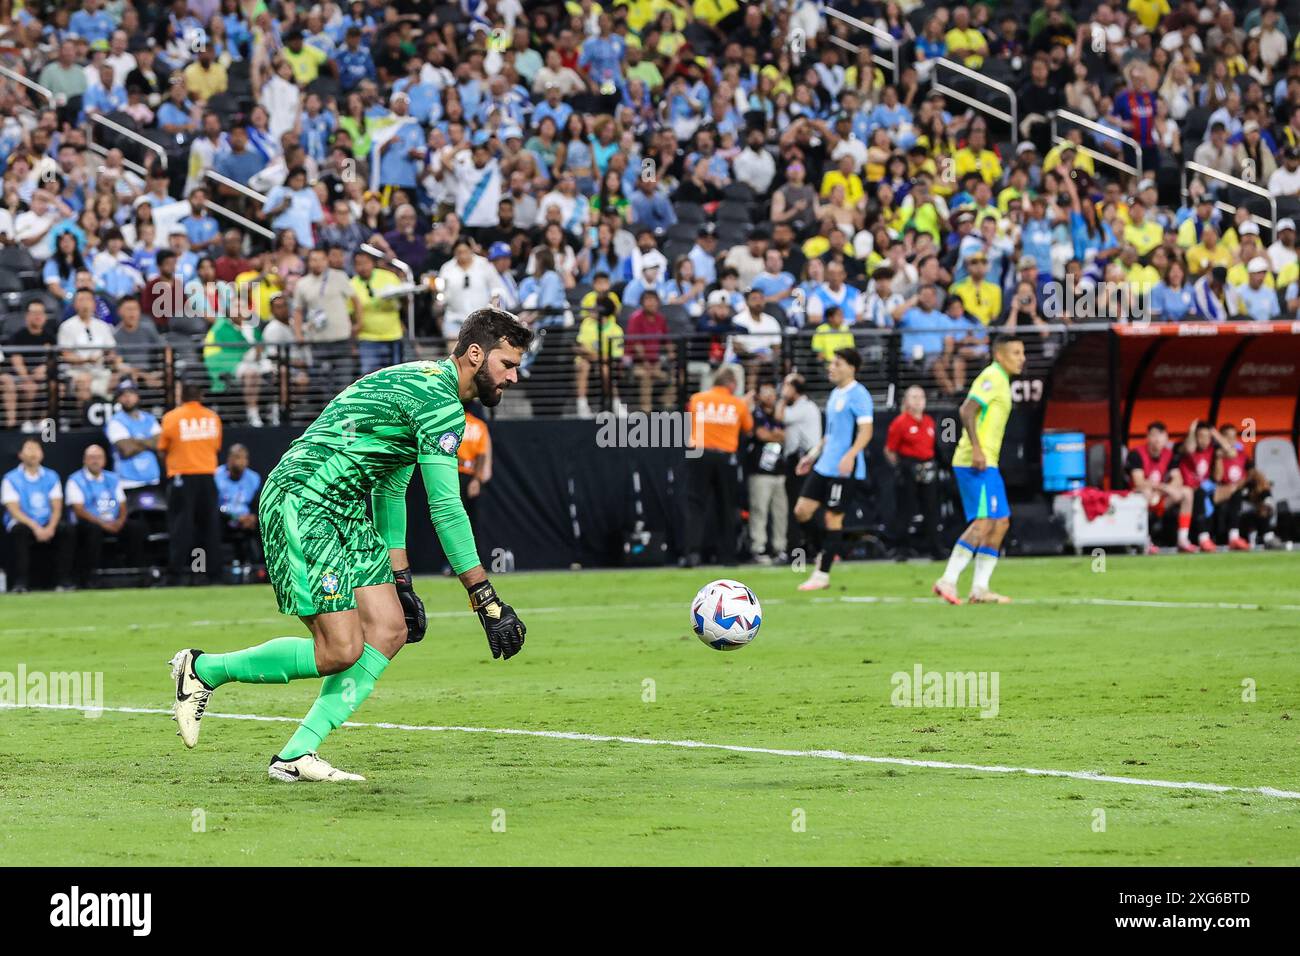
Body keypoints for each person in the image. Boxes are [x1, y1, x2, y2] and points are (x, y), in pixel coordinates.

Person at [168, 308, 532, 783]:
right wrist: (485, 599)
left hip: (344, 509)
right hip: (304, 500)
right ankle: (203, 668)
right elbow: (445, 508)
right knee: (339, 649)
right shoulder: (440, 401)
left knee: (389, 628)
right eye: (508, 364)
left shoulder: (420, 384)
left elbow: (390, 488)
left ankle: (297, 754)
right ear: (476, 355)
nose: (514, 377)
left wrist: (400, 579)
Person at [933, 334, 1027, 605]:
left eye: (1022, 352)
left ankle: (980, 588)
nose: (1022, 358)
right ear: (1000, 355)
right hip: (975, 460)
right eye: (1016, 352)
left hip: (989, 462)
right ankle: (948, 580)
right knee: (984, 521)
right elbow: (967, 409)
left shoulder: (1002, 380)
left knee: (1000, 523)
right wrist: (975, 448)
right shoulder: (992, 376)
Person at [792, 348, 874, 591]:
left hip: (844, 468)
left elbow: (866, 432)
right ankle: (825, 552)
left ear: (851, 367)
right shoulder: (835, 394)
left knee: (832, 517)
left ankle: (822, 575)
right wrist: (811, 455)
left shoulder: (859, 395)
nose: (831, 368)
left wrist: (850, 455)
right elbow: (830, 434)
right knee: (802, 511)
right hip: (825, 464)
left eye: (837, 363)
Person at [684, 367, 754, 567]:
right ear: (731, 384)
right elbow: (749, 428)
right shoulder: (737, 404)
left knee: (695, 505)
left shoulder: (697, 399)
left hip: (699, 454)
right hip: (725, 458)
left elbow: (690, 419)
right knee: (728, 507)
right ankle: (728, 556)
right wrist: (745, 405)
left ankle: (692, 554)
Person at [158, 382, 224, 586]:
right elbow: (216, 447)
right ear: (201, 396)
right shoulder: (213, 418)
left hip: (182, 476)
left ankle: (176, 574)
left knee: (181, 528)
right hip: (207, 476)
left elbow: (162, 448)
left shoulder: (171, 417)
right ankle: (210, 574)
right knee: (209, 528)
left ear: (182, 396)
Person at [64, 443, 146, 588]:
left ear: (104, 460)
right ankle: (91, 577)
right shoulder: (75, 480)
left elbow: (122, 504)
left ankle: (136, 574)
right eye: (91, 457)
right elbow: (78, 509)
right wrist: (103, 524)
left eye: (98, 457)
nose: (95, 461)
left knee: (135, 528)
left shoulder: (113, 478)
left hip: (113, 520)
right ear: (84, 460)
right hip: (90, 522)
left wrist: (120, 521)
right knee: (92, 531)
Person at [2, 438, 73, 592]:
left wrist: (51, 527)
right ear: (20, 454)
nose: (33, 453)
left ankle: (63, 581)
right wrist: (36, 528)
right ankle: (21, 583)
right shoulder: (10, 478)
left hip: (47, 523)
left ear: (42, 454)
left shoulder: (51, 476)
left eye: (36, 449)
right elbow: (13, 510)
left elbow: (57, 506)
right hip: (23, 523)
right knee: (20, 531)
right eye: (29, 449)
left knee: (66, 530)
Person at [884, 385, 942, 560]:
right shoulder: (900, 422)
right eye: (914, 397)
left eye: (921, 396)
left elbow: (934, 447)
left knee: (931, 509)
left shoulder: (930, 422)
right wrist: (901, 468)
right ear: (907, 401)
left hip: (927, 467)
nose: (918, 400)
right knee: (905, 510)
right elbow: (889, 450)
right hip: (909, 467)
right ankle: (902, 549)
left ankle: (935, 548)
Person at [1126, 421, 1197, 554]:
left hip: (1160, 497)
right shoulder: (1136, 454)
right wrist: (1163, 488)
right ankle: (1145, 541)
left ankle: (1183, 539)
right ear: (1147, 437)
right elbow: (1138, 482)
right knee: (1146, 492)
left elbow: (1178, 478)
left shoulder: (1169, 454)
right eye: (1153, 435)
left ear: (1166, 438)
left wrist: (1167, 489)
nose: (1157, 439)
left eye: (1160, 435)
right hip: (1140, 498)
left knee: (1187, 492)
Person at [746, 382, 787, 565]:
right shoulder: (756, 414)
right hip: (760, 472)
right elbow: (762, 434)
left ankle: (780, 548)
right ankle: (758, 547)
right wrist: (774, 434)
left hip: (778, 472)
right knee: (759, 510)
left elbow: (784, 435)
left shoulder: (779, 415)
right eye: (766, 393)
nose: (770, 397)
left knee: (780, 512)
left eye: (772, 393)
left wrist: (774, 434)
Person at [351, 249, 407, 374]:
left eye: (365, 263)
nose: (362, 267)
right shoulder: (352, 285)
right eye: (358, 264)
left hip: (393, 335)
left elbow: (403, 300)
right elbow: (350, 314)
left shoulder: (389, 277)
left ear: (373, 263)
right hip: (367, 339)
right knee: (369, 377)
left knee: (396, 376)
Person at [215, 443, 263, 580]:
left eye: (244, 458)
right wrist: (234, 517)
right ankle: (215, 573)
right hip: (223, 519)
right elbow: (213, 505)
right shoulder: (216, 476)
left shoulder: (253, 478)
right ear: (229, 459)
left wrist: (253, 517)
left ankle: (260, 571)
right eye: (237, 457)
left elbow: (256, 503)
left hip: (247, 521)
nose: (241, 462)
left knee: (263, 525)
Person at [105, 379, 162, 490]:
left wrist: (134, 441)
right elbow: (127, 450)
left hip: (152, 479)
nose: (128, 398)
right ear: (118, 399)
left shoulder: (149, 418)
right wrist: (149, 441)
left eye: (131, 393)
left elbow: (160, 444)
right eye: (123, 395)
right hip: (128, 482)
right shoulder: (115, 422)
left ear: (137, 396)